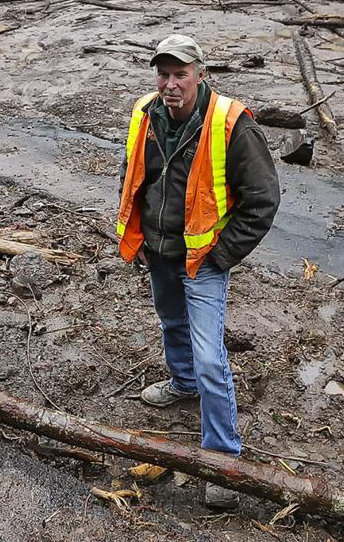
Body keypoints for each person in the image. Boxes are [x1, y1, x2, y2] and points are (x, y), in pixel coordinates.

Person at [116, 34, 281, 510]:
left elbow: (263, 201)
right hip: (159, 250)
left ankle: (223, 459)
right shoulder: (145, 113)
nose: (170, 84)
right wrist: (139, 235)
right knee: (171, 323)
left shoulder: (233, 124)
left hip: (203, 258)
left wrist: (221, 255)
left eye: (180, 74)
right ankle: (181, 382)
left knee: (211, 355)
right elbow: (133, 174)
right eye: (163, 74)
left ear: (200, 74)